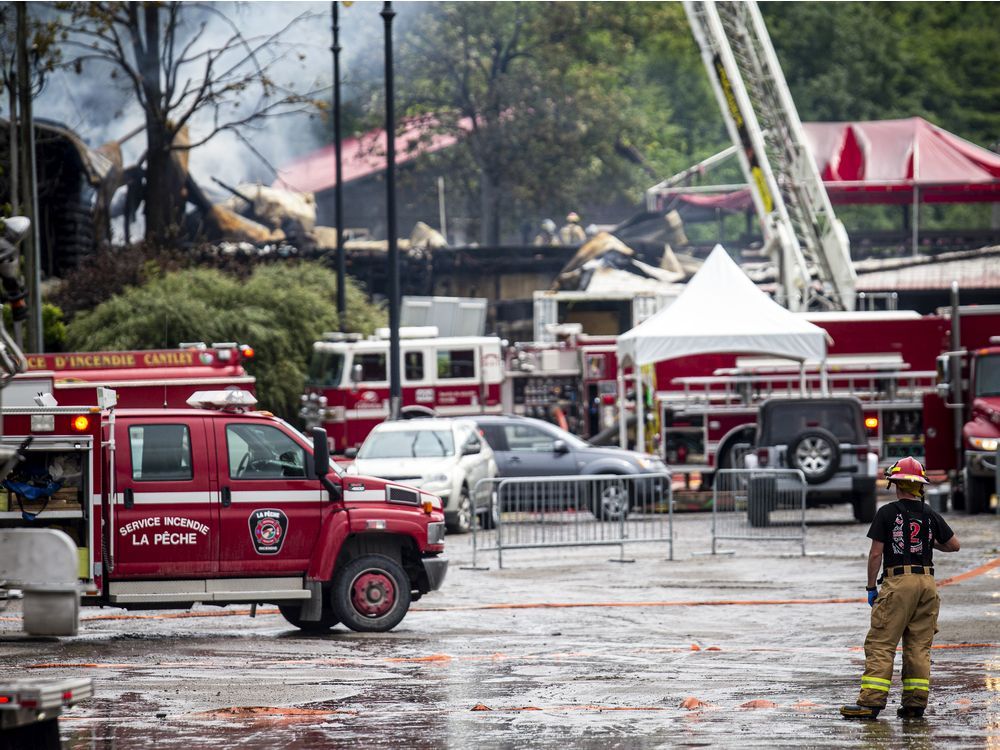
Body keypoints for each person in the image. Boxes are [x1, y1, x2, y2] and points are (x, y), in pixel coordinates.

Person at [840, 457, 960, 720]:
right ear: (919, 485)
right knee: (918, 646)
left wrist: (871, 587)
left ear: (895, 483)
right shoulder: (929, 513)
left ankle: (870, 703)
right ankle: (915, 704)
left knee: (882, 643)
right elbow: (954, 545)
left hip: (898, 583)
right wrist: (929, 542)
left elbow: (875, 554)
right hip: (927, 584)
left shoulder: (886, 512)